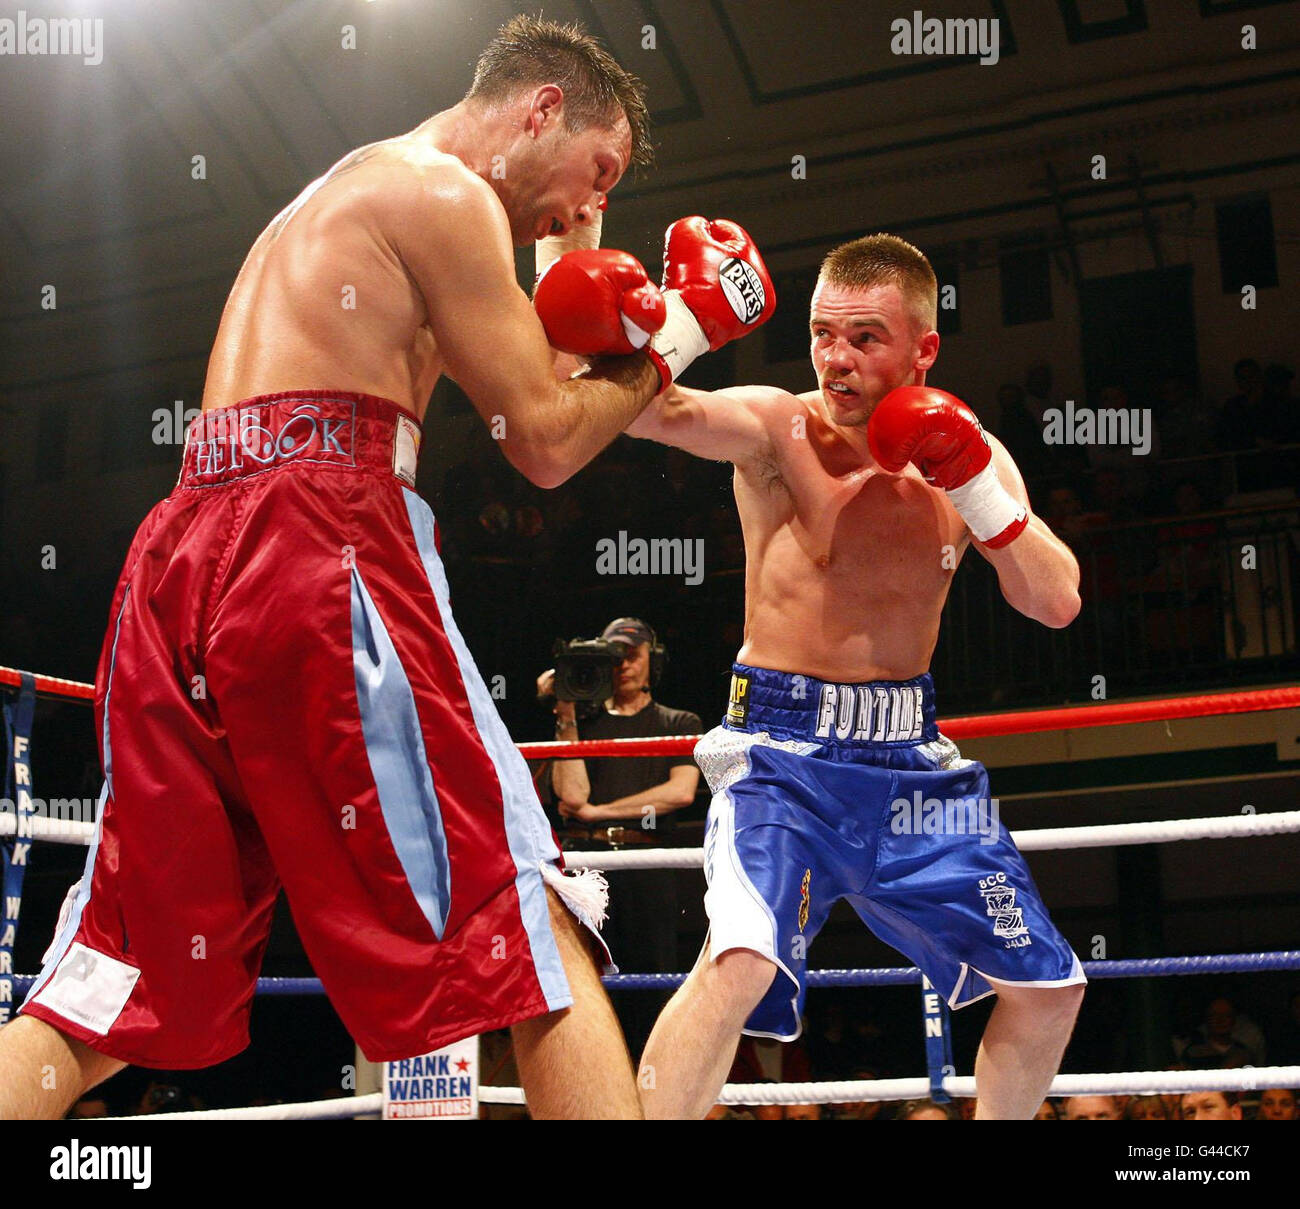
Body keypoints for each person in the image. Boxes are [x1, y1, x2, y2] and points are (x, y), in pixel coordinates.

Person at [0, 15, 770, 1120]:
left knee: (114, 977)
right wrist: (684, 328)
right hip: (319, 540)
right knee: (528, 913)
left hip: (183, 554)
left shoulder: (352, 193)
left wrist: (577, 270)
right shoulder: (448, 195)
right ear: (539, 108)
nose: (595, 208)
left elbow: (547, 370)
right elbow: (549, 439)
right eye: (596, 174)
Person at [627, 232, 1086, 1120]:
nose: (836, 360)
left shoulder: (971, 453)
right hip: (781, 757)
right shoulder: (775, 425)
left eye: (865, 338)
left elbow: (1056, 599)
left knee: (1050, 987)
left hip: (911, 763)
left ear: (925, 348)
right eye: (821, 333)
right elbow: (640, 413)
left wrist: (973, 487)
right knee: (742, 957)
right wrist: (680, 328)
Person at [538, 617, 702, 1054]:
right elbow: (572, 800)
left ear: (654, 659)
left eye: (632, 654)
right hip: (589, 868)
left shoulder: (678, 720)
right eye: (613, 657)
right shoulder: (582, 726)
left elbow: (681, 792)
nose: (623, 665)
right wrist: (566, 713)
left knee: (653, 982)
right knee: (586, 981)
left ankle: (650, 1086)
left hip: (648, 865)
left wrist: (600, 812)